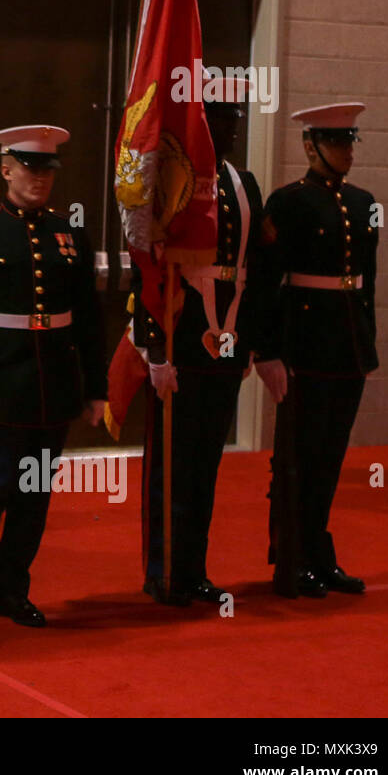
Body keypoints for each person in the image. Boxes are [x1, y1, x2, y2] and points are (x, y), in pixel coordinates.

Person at [0, 125, 106, 627]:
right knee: (1, 480)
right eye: (29, 169)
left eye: (46, 170)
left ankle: (13, 590)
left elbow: (89, 318)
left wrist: (95, 387)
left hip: (55, 380)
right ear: (6, 169)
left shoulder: (69, 232)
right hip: (1, 376)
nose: (39, 179)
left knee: (34, 490)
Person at [132, 100, 283, 605]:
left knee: (205, 466)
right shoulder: (171, 181)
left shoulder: (245, 184)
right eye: (219, 124)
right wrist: (153, 347)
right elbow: (146, 268)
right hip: (180, 335)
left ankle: (193, 569)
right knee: (170, 465)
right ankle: (163, 570)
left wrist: (257, 345)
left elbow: (259, 270)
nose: (229, 133)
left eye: (234, 124)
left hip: (227, 341)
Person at [259, 103, 377, 599]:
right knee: (297, 458)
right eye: (336, 142)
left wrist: (367, 342)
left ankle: (319, 551)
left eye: (350, 142)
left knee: (329, 457)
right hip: (305, 345)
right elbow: (267, 283)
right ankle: (293, 556)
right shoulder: (287, 203)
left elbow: (369, 281)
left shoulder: (364, 201)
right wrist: (268, 352)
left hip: (347, 344)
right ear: (311, 146)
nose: (346, 151)